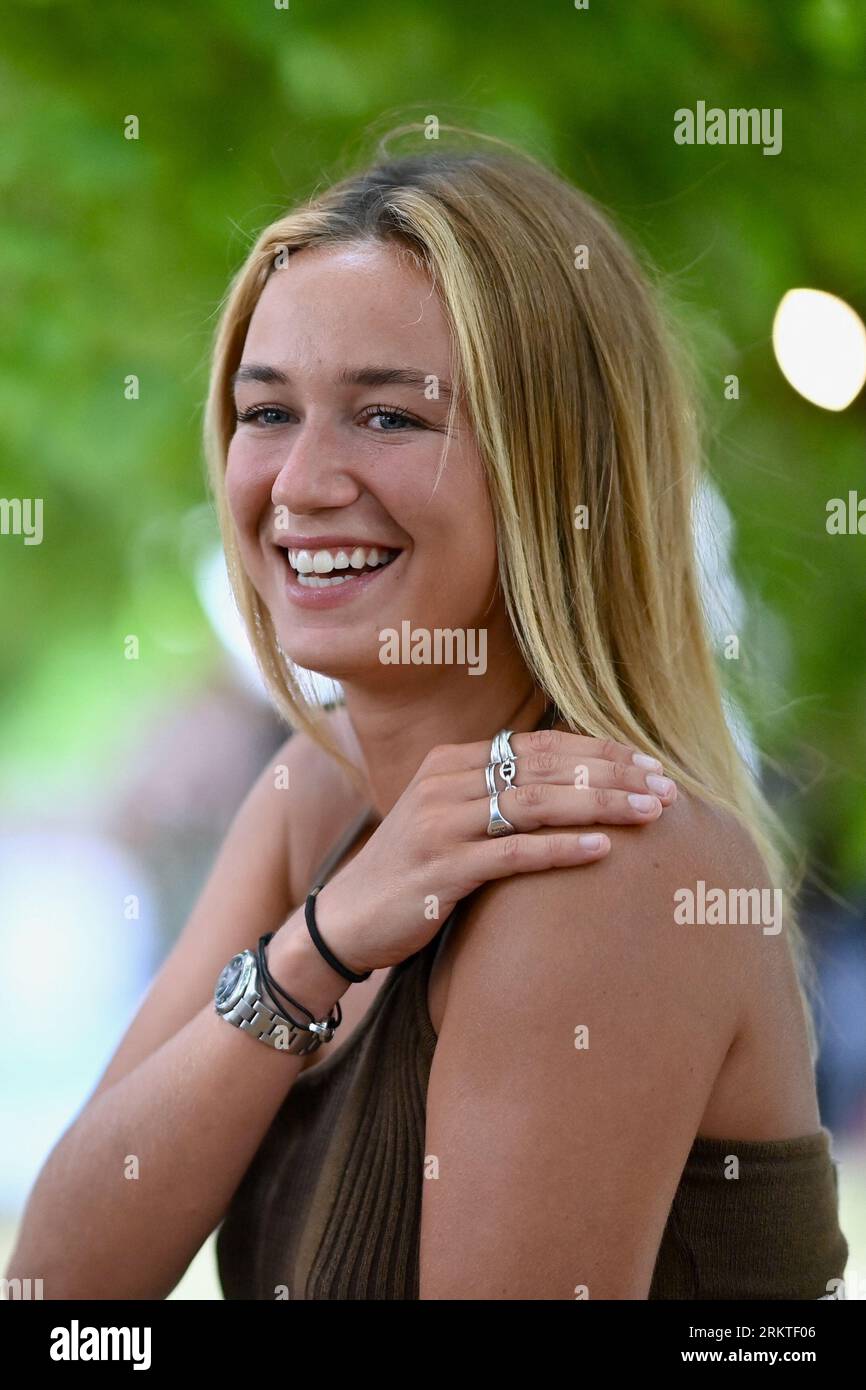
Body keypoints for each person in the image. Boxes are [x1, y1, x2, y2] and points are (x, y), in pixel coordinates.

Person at [6, 131, 848, 1300]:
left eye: (389, 417)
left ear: (556, 475)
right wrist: (317, 948)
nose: (299, 485)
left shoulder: (597, 865)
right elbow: (58, 1287)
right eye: (266, 413)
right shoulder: (317, 801)